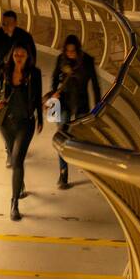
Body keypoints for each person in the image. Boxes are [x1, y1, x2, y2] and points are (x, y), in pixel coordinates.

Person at [0, 43, 43, 221]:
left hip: (25, 123)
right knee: (14, 160)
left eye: (22, 55)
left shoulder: (34, 73)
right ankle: (19, 184)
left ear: (28, 57)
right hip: (6, 121)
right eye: (16, 55)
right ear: (12, 56)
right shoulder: (4, 70)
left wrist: (41, 119)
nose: (19, 58)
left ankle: (14, 204)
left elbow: (37, 97)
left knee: (18, 159)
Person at [47, 34, 102, 189]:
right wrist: (53, 93)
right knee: (62, 136)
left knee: (80, 137)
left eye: (73, 51)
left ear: (78, 50)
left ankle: (84, 164)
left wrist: (97, 107)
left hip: (81, 103)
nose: (70, 53)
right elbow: (54, 78)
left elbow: (95, 85)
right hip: (64, 102)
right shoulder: (61, 59)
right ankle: (63, 173)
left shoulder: (87, 61)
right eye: (68, 51)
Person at [0, 11, 36, 163]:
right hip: (2, 78)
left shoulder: (24, 37)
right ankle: (10, 149)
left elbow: (33, 56)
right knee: (4, 113)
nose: (6, 26)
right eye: (4, 23)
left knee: (21, 112)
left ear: (15, 23)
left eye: (9, 23)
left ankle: (18, 143)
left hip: (22, 80)